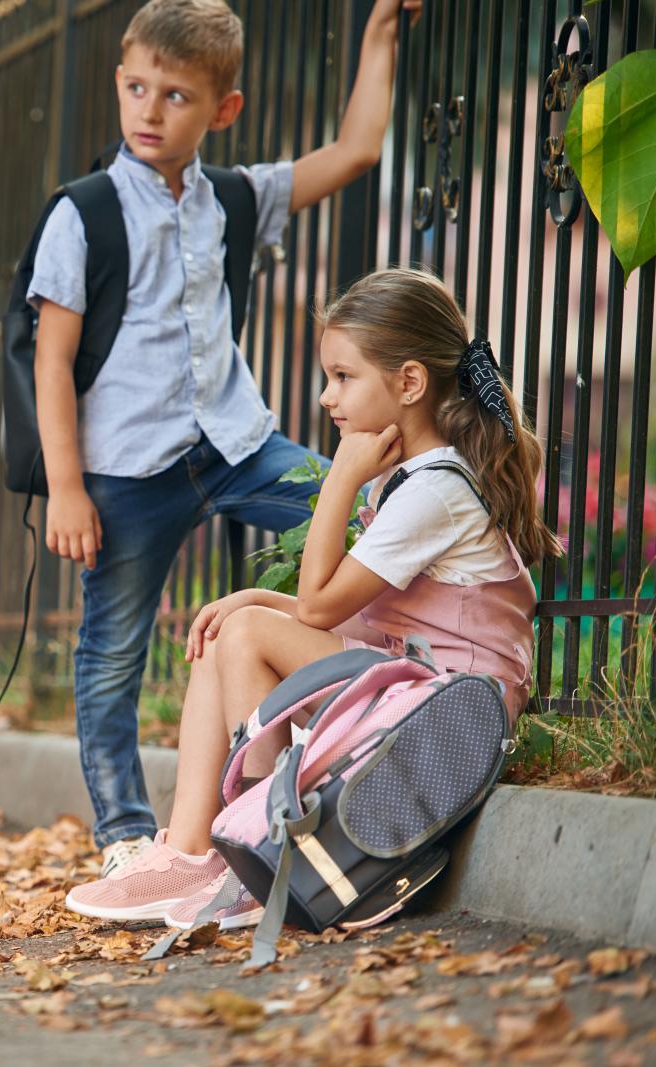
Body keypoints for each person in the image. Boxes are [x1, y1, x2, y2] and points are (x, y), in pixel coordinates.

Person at [29, 0, 421, 875]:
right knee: (110, 655)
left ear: (222, 109)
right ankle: (130, 838)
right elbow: (51, 360)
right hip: (126, 472)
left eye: (175, 95)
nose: (148, 110)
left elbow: (355, 152)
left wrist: (379, 35)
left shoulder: (237, 197)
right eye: (136, 88)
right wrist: (66, 487)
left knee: (355, 507)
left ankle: (375, 720)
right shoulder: (82, 214)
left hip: (238, 445)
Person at [63, 266, 561, 928]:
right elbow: (354, 611)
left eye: (343, 376)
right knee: (230, 631)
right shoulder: (415, 480)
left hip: (449, 716)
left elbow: (323, 607)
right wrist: (251, 599)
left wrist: (344, 477)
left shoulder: (436, 489)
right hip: (412, 687)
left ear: (409, 382)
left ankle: (268, 846)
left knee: (244, 635)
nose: (328, 396)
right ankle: (192, 852)